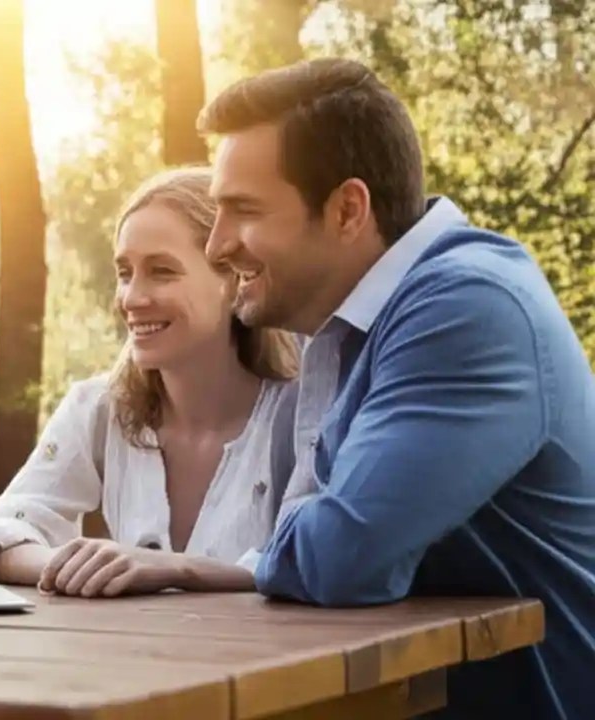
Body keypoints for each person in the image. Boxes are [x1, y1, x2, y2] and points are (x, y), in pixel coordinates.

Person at [197, 58, 595, 719]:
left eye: (244, 210)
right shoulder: (350, 327)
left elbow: (343, 558)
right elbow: (319, 543)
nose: (216, 246)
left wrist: (226, 567)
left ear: (348, 209)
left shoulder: (465, 307)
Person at [0, 166, 305, 598]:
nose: (132, 298)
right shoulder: (100, 407)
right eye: (125, 273)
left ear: (233, 282)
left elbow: (320, 560)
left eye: (161, 271)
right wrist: (87, 568)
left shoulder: (303, 413)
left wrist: (177, 570)